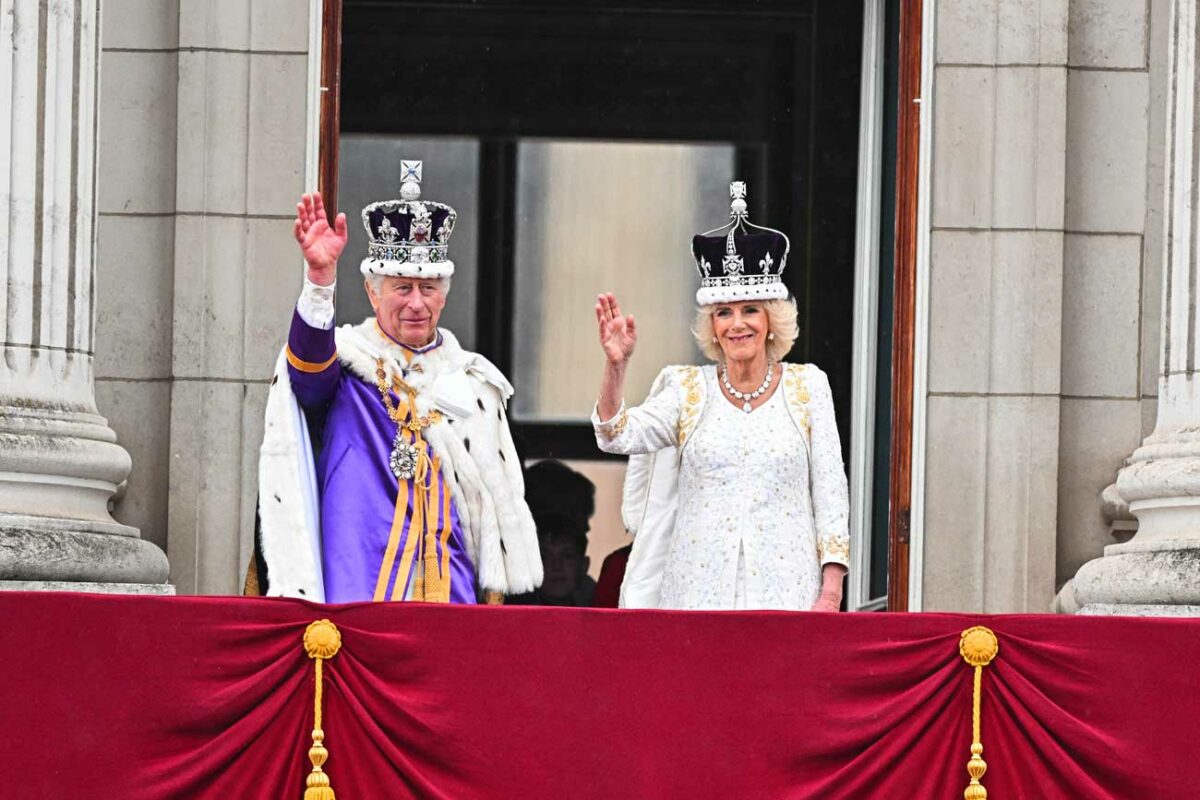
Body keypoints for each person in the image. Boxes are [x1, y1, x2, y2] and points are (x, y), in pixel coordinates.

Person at [247, 160, 541, 603]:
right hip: (359, 593)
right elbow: (307, 372)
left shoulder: (473, 382)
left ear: (445, 293)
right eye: (402, 288)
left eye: (428, 288)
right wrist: (320, 283)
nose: (417, 303)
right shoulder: (349, 366)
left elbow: (492, 513)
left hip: (451, 594)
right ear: (372, 292)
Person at [591, 180, 849, 611]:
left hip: (788, 597)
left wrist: (831, 590)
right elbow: (615, 436)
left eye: (750, 310)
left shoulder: (808, 387)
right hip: (696, 598)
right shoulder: (686, 389)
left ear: (772, 320)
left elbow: (830, 494)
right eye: (724, 313)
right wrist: (616, 366)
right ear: (712, 326)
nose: (737, 324)